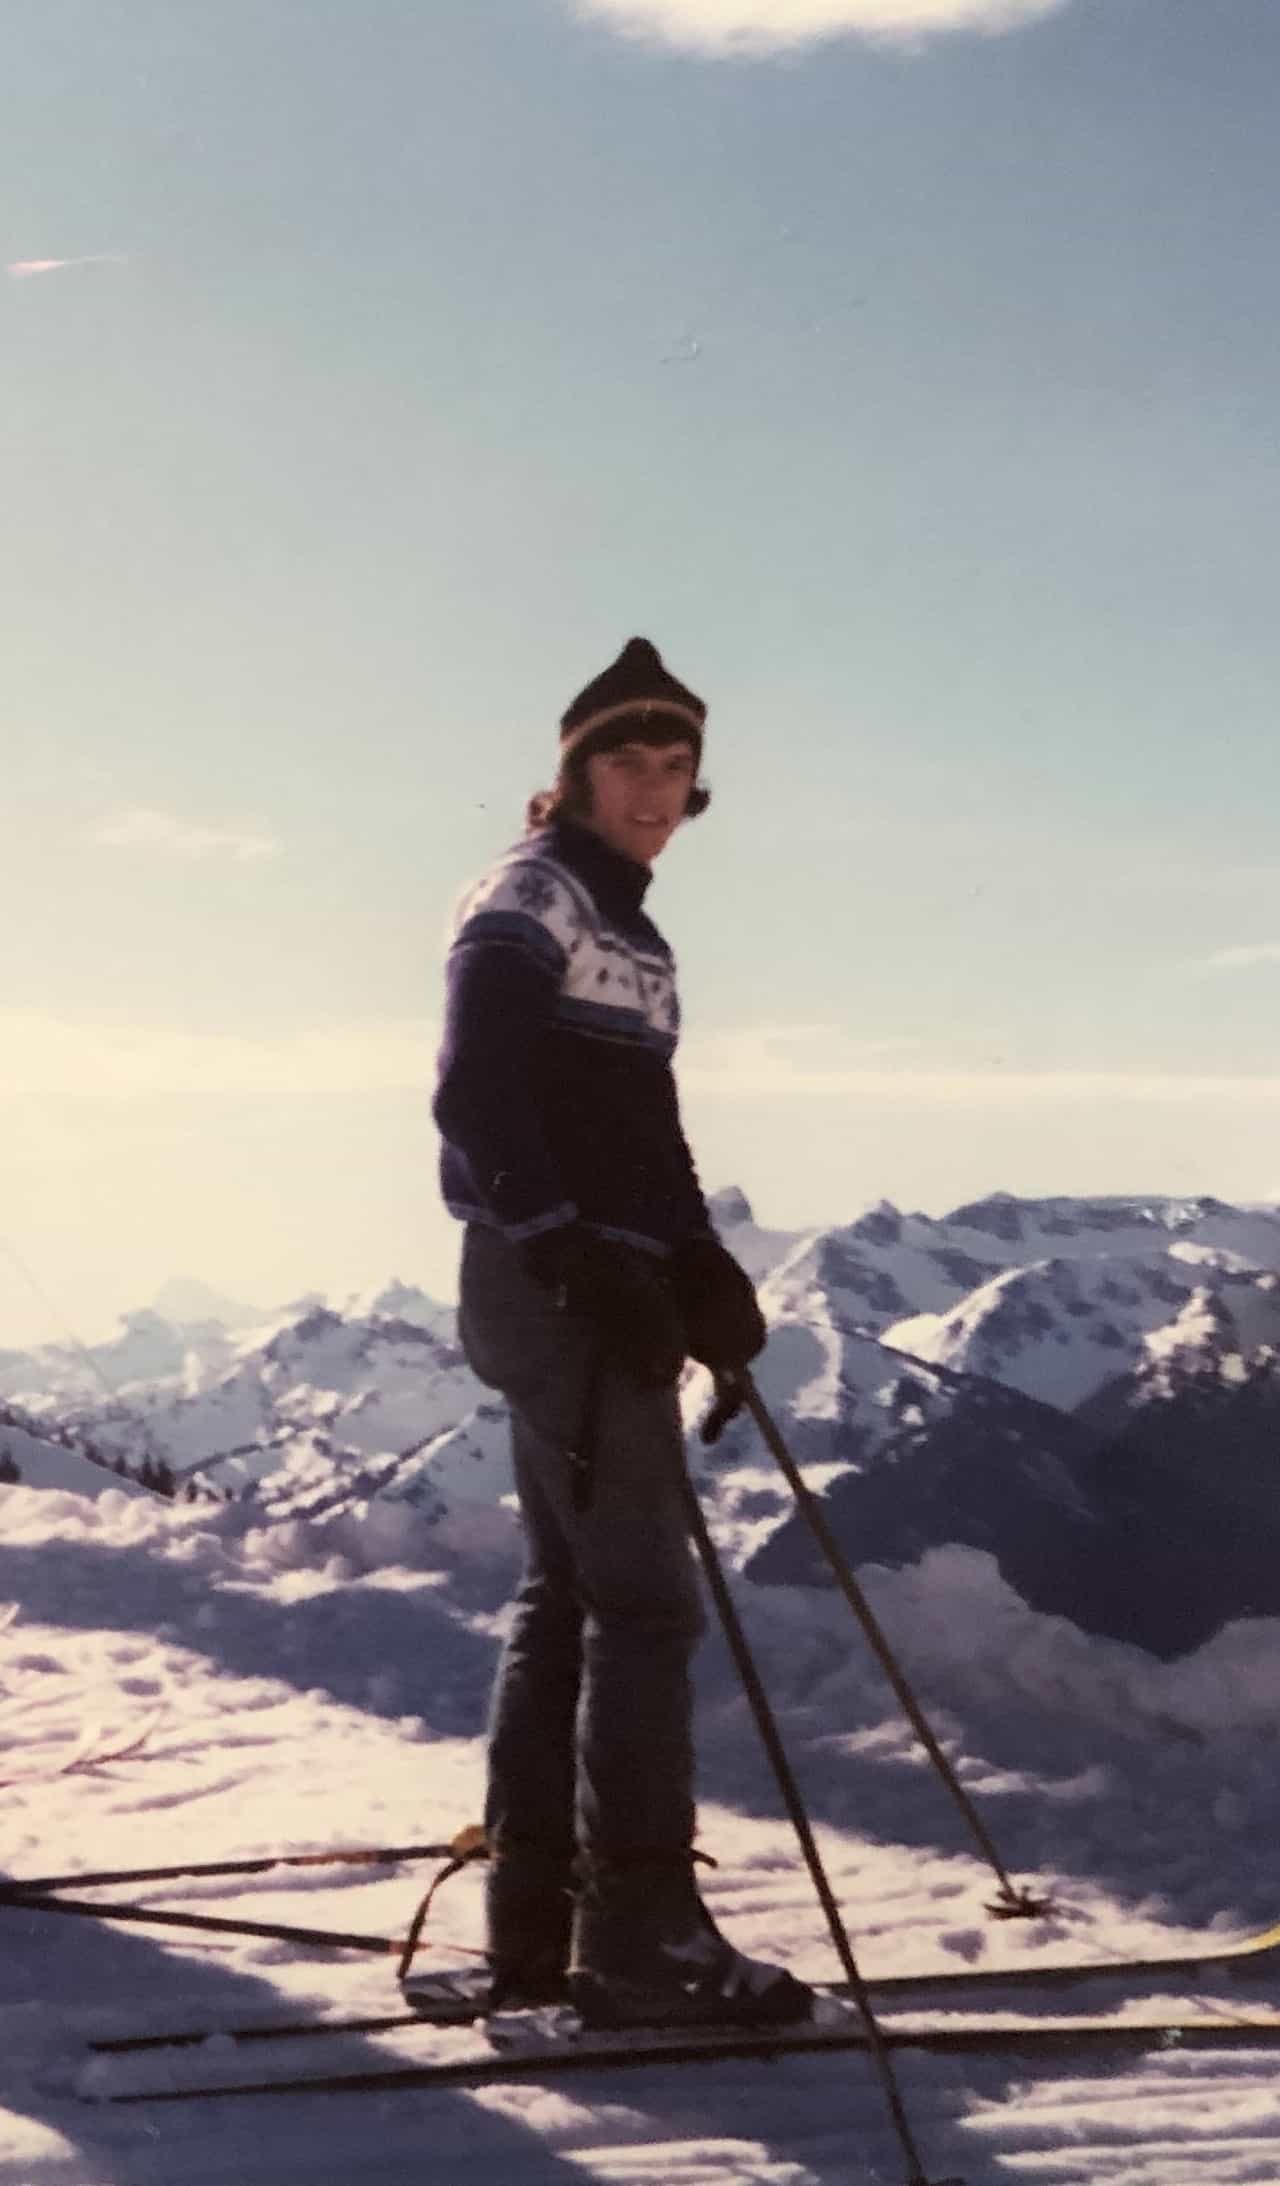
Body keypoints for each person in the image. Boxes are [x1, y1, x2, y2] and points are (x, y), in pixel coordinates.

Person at [429, 637, 804, 2030]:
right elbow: (475, 1092)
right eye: (626, 760)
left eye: (674, 764)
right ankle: (640, 1939)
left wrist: (696, 1261)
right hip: (559, 1287)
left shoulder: (629, 933)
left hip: (590, 1282)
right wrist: (571, 1250)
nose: (652, 787)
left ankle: (540, 1929)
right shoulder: (530, 898)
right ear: (576, 774)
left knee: (572, 1594)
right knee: (643, 1603)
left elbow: (646, 1129)